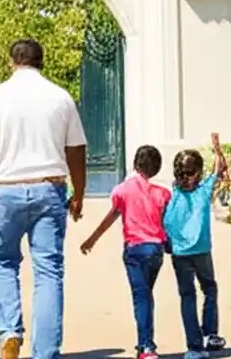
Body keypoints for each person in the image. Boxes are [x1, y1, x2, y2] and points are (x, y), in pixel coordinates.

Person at [0, 38, 88, 359]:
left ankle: (10, 333)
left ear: (12, 61)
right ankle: (44, 352)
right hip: (49, 188)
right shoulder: (60, 97)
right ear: (42, 61)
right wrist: (79, 195)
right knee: (49, 271)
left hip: (9, 190)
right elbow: (77, 151)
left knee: (5, 262)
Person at [79, 145, 171, 359]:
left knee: (141, 297)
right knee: (146, 295)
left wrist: (92, 239)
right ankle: (145, 343)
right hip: (155, 250)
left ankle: (147, 347)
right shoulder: (163, 194)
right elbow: (167, 222)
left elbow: (111, 217)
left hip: (134, 251)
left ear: (135, 164)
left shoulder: (122, 190)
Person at [163, 134, 231, 359]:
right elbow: (220, 169)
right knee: (209, 289)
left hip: (180, 254)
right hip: (202, 252)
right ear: (199, 173)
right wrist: (218, 150)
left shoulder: (170, 195)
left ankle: (194, 345)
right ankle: (210, 333)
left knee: (187, 296)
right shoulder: (203, 190)